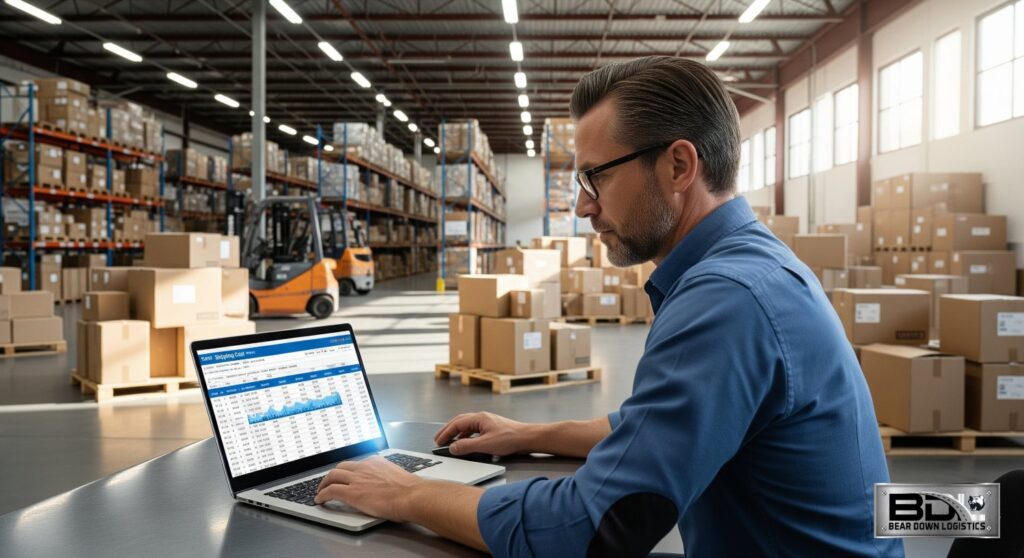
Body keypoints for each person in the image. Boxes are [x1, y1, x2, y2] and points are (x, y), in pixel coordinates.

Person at [316, 55, 904, 557]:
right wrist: (529, 433)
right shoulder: (751, 264)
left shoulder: (728, 299)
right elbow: (658, 429)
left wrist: (405, 494)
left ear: (679, 165)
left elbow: (595, 526)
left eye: (595, 178)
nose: (581, 206)